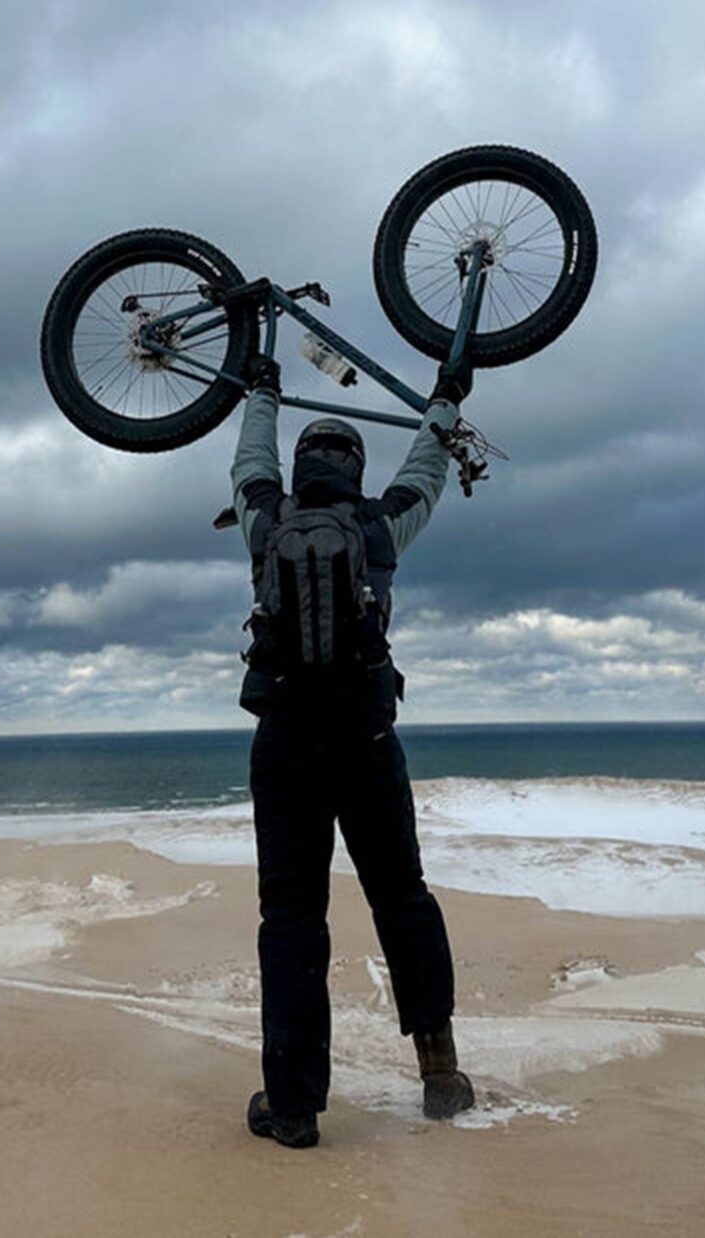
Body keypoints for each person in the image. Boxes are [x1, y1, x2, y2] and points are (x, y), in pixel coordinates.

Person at [228, 351, 477, 1149]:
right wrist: (443, 400)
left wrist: (263, 392)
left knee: (293, 916)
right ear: (356, 467)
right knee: (402, 896)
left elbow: (247, 462)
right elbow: (428, 473)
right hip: (368, 741)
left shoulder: (266, 520)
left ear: (303, 468)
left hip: (287, 745)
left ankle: (294, 1108)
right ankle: (440, 1074)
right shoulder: (379, 526)